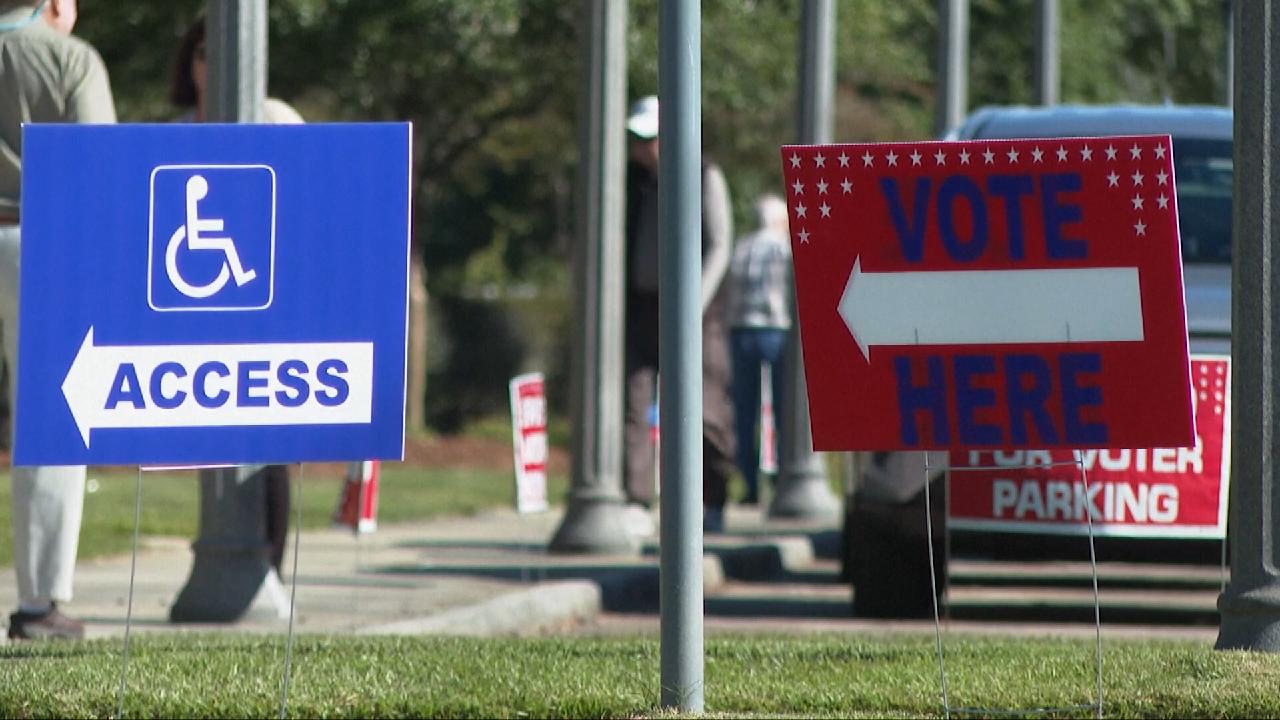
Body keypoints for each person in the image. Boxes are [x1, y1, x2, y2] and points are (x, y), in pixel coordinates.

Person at [170, 15, 302, 574]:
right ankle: (226, 556)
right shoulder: (173, 131)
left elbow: (307, 200)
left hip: (267, 301)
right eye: (202, 51)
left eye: (223, 51)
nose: (212, 64)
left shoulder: (276, 119)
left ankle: (264, 567)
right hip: (189, 309)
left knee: (264, 436)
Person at [2, 0, 115, 640]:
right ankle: (41, 601)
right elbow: (96, 169)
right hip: (38, 242)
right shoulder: (70, 59)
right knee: (50, 419)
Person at [622, 95, 737, 535]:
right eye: (636, 140)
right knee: (635, 402)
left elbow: (719, 244)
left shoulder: (704, 174)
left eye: (648, 139)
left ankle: (713, 497)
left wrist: (693, 302)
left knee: (705, 408)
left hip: (696, 314)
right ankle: (636, 498)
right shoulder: (633, 184)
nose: (641, 148)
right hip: (644, 307)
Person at [725, 194, 792, 506]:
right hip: (777, 329)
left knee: (744, 411)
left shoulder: (742, 247)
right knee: (782, 409)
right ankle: (782, 477)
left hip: (741, 331)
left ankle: (750, 484)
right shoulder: (784, 247)